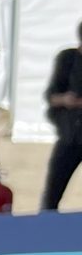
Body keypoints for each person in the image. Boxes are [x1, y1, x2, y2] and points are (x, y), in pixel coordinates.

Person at [41, 20, 82, 211]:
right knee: (53, 191)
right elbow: (51, 96)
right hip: (70, 134)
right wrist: (65, 100)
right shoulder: (67, 59)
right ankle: (45, 229)